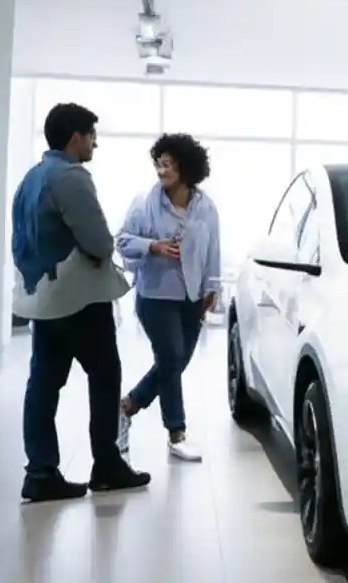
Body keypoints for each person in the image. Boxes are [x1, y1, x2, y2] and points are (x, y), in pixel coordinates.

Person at [11, 102, 151, 502]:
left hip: (44, 300)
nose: (94, 143)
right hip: (79, 300)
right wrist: (100, 250)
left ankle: (40, 473)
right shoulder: (71, 177)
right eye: (92, 136)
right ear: (75, 137)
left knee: (43, 384)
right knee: (106, 377)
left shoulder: (32, 178)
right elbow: (100, 242)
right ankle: (106, 465)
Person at [115, 133, 220, 462]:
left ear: (187, 167)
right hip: (155, 296)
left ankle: (127, 407)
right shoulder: (145, 202)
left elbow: (213, 250)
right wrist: (153, 246)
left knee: (176, 362)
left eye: (168, 164)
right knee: (172, 357)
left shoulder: (206, 207)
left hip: (191, 297)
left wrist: (212, 288)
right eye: (159, 164)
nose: (162, 171)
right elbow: (121, 240)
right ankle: (177, 432)